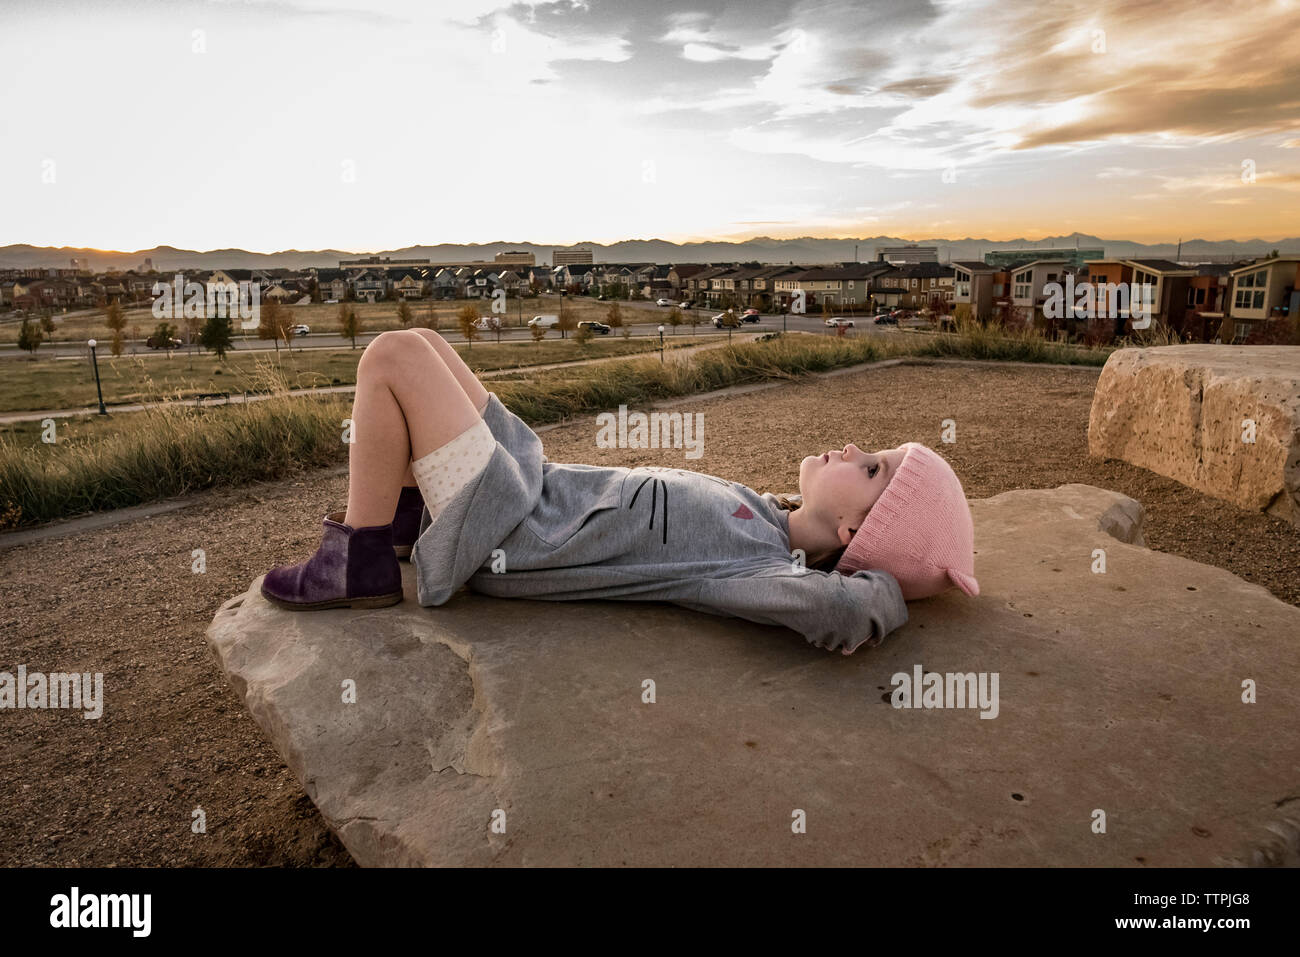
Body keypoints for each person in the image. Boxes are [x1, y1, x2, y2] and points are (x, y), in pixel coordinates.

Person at [260, 329, 979, 655]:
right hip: (533, 482)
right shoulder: (766, 514)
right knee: (428, 341)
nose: (854, 448)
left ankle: (358, 560)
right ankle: (402, 518)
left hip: (512, 533)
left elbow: (838, 611)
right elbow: (802, 524)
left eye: (874, 467)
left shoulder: (758, 567)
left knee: (391, 355)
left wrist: (888, 580)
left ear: (857, 534)